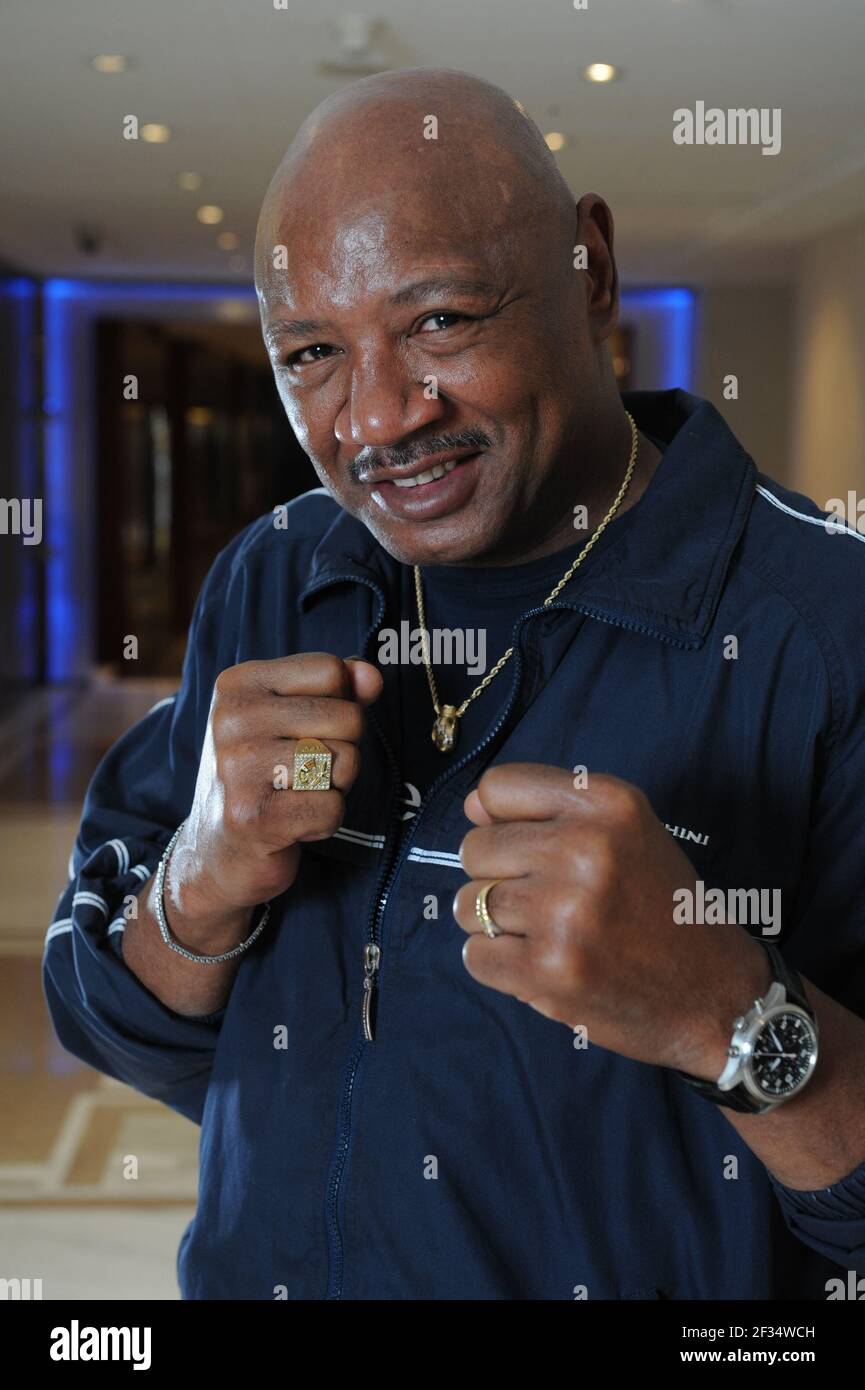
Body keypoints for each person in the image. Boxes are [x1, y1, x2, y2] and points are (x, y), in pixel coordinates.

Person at [44, 67, 865, 1300]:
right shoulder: (272, 575)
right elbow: (113, 1018)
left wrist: (728, 1016)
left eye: (439, 322)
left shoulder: (827, 628)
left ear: (589, 269)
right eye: (311, 351)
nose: (376, 418)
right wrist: (199, 882)